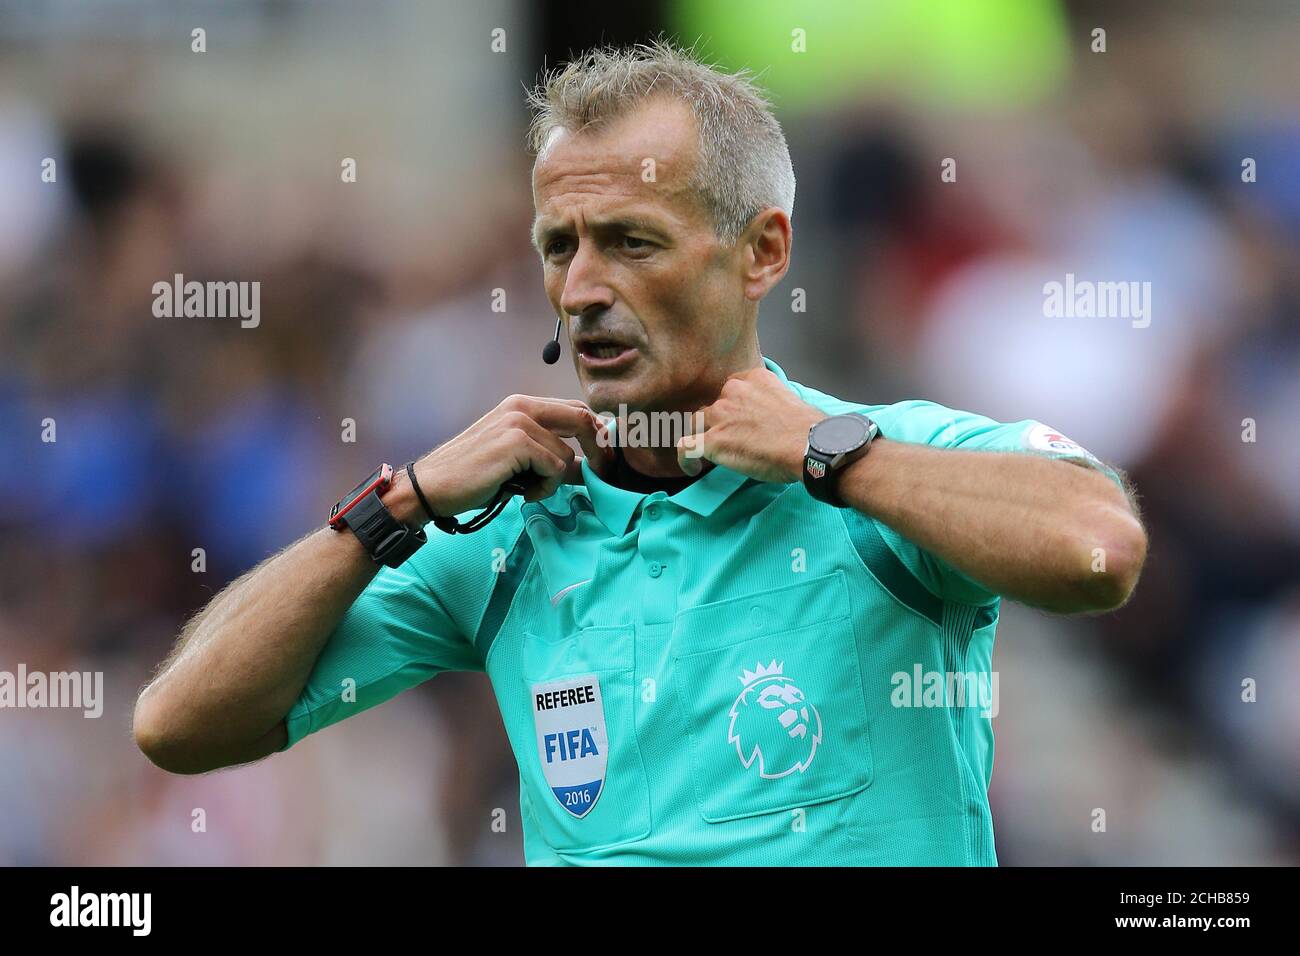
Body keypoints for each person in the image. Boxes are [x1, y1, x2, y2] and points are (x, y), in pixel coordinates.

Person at [134, 42, 1147, 865]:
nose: (579, 288)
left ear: (762, 251)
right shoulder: (502, 530)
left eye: (629, 240)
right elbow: (180, 725)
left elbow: (1099, 550)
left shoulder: (880, 456)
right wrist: (394, 507)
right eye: (556, 244)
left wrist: (824, 453)